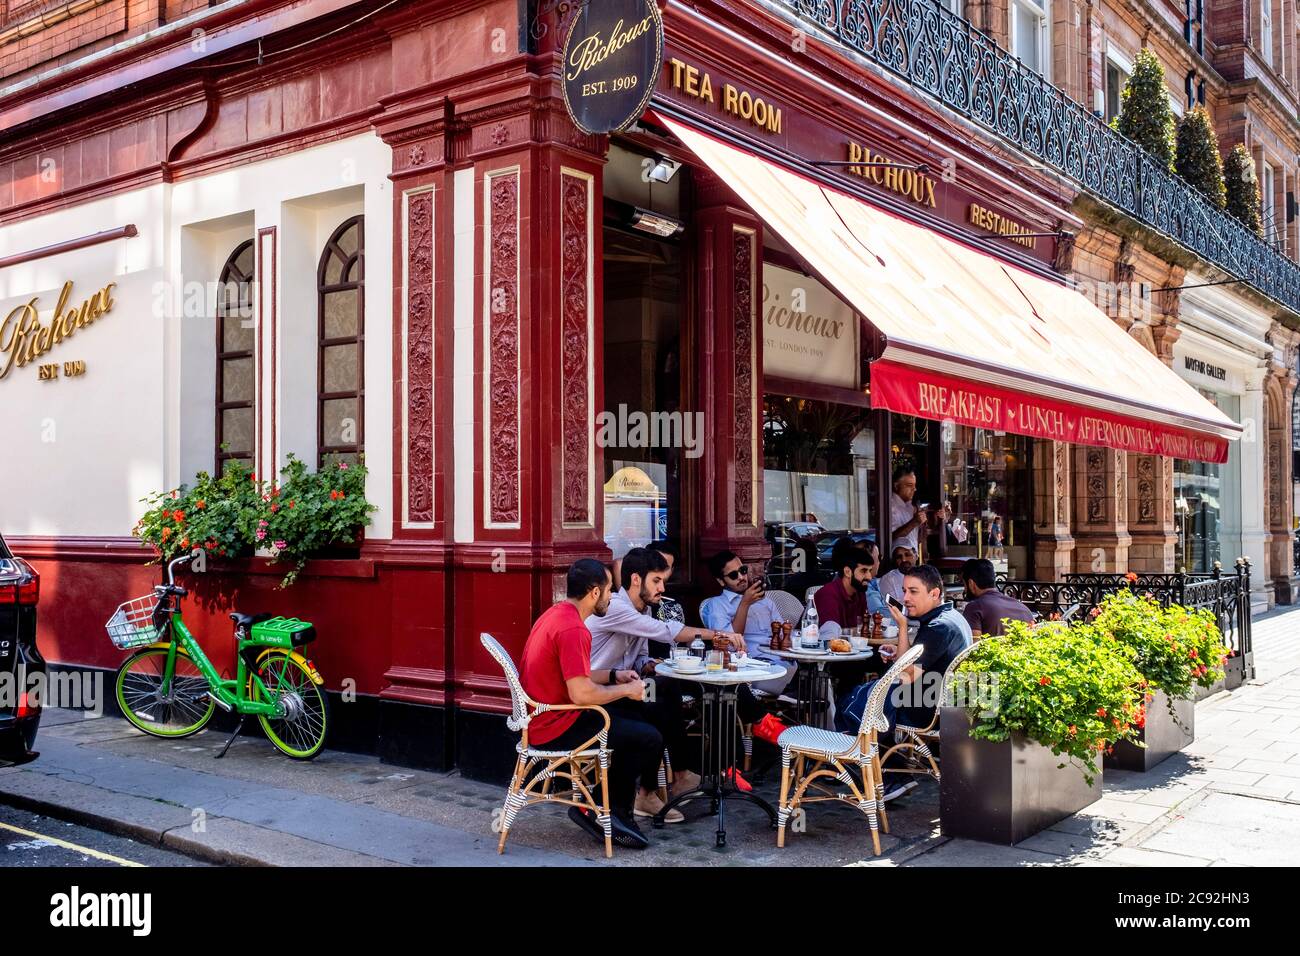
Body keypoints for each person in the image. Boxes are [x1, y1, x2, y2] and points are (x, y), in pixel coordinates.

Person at [587, 547, 741, 818]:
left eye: (663, 581)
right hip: (595, 695)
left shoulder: (643, 609)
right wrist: (719, 634)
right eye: (656, 581)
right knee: (658, 703)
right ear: (636, 579)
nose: (662, 588)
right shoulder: (617, 607)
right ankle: (653, 791)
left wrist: (649, 666)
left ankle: (671, 780)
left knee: (665, 686)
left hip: (621, 689)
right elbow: (667, 632)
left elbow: (640, 658)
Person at [518, 559, 660, 849]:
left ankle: (603, 805)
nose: (611, 596)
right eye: (609, 590)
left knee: (638, 715)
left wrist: (613, 675)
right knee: (648, 738)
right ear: (595, 592)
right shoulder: (574, 630)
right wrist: (627, 690)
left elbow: (574, 675)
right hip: (556, 724)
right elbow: (582, 694)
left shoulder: (556, 614)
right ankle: (606, 810)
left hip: (546, 715)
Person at [835, 563, 972, 800]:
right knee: (872, 697)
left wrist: (902, 625)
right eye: (904, 590)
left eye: (913, 591)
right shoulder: (951, 617)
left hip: (926, 709)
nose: (905, 598)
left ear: (935, 593)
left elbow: (906, 677)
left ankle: (886, 776)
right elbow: (909, 665)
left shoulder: (938, 627)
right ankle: (892, 774)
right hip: (935, 699)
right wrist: (900, 640)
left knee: (861, 701)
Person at [703, 551, 796, 696]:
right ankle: (792, 695)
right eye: (734, 575)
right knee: (810, 683)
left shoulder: (764, 600)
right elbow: (729, 644)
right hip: (753, 667)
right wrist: (744, 603)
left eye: (743, 571)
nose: (741, 577)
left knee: (819, 677)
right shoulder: (717, 605)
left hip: (783, 660)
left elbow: (784, 634)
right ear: (721, 581)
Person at [959, 557, 1033, 637]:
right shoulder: (1024, 609)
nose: (965, 589)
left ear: (971, 583)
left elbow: (972, 646)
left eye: (964, 584)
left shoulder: (974, 607)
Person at [814, 544, 882, 628]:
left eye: (870, 571)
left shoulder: (860, 592)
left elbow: (863, 628)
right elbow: (830, 637)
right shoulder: (828, 594)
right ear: (847, 572)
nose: (869, 577)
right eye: (864, 571)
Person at [889, 468, 928, 558]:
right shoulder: (890, 507)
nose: (914, 489)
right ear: (896, 486)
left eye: (914, 485)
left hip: (913, 557)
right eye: (909, 485)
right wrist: (914, 522)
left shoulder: (911, 506)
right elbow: (890, 537)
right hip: (898, 560)